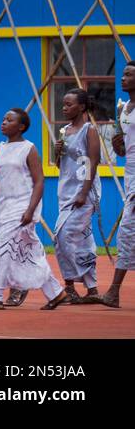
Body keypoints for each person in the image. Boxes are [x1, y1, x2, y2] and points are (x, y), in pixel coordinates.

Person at [0, 109, 65, 310]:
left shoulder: (28, 148)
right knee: (29, 252)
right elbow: (0, 182)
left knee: (2, 248)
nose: (3, 122)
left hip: (22, 207)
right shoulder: (1, 148)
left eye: (9, 120)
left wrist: (30, 210)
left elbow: (39, 181)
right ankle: (56, 292)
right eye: (3, 119)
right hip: (4, 206)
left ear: (21, 126)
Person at [44, 88, 102, 308]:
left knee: (62, 236)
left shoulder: (89, 130)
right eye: (64, 104)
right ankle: (90, 288)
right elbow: (60, 165)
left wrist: (84, 192)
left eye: (69, 104)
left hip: (84, 192)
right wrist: (56, 152)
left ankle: (69, 285)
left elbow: (92, 163)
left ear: (82, 107)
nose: (64, 108)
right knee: (83, 239)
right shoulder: (64, 131)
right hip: (65, 192)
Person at [97, 60, 135, 307]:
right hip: (130, 174)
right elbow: (122, 151)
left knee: (127, 231)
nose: (123, 78)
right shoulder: (124, 109)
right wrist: (117, 141)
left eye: (129, 75)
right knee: (129, 233)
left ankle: (113, 290)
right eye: (122, 74)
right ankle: (113, 291)